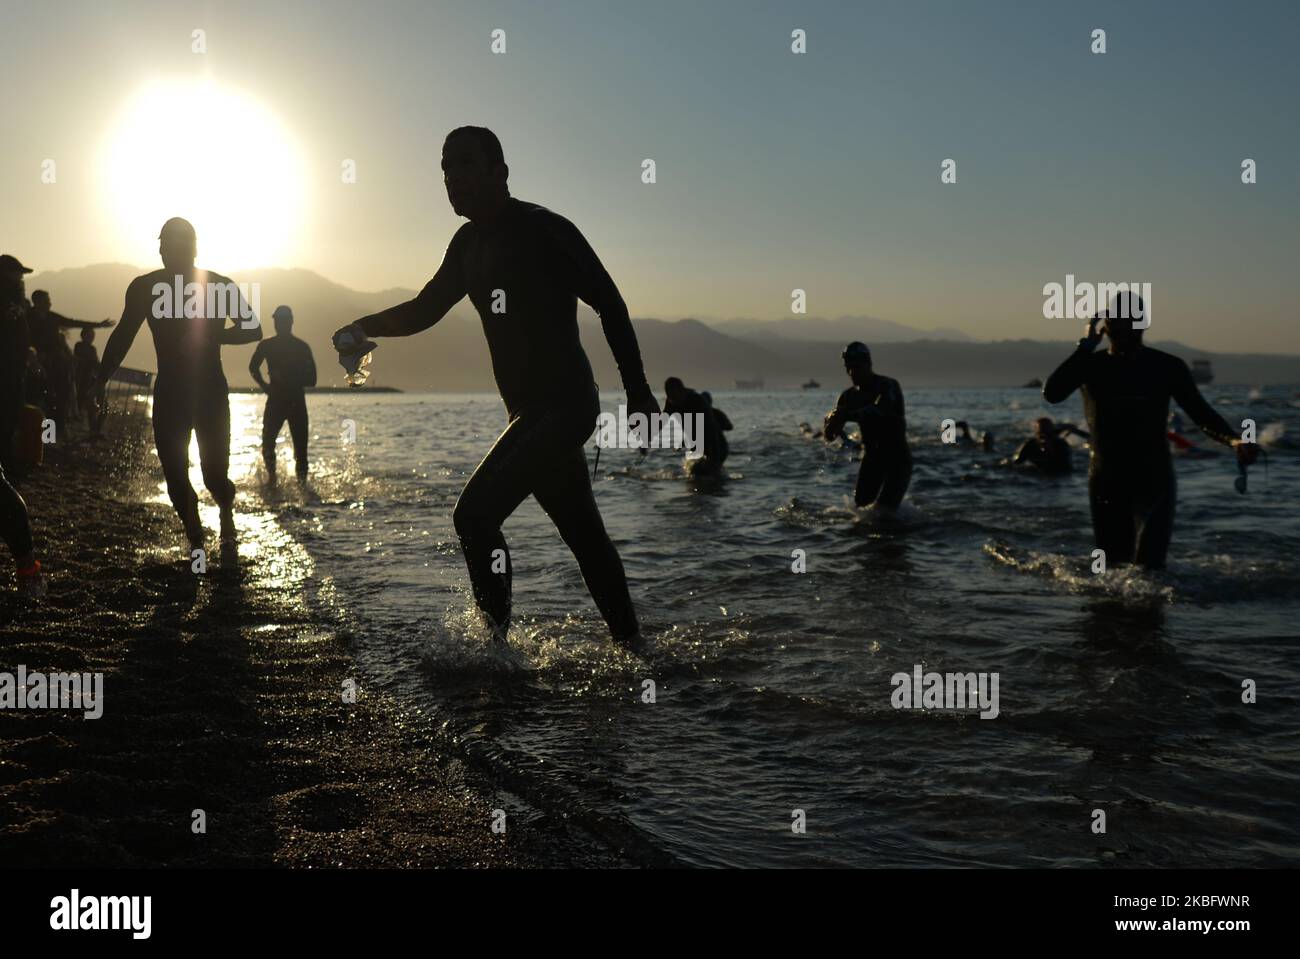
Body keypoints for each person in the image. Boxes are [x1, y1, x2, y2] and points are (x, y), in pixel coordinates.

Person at [332, 126, 658, 646]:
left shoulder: (544, 229)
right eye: (445, 168)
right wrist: (363, 327)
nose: (452, 178)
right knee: (585, 537)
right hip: (527, 415)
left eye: (464, 164)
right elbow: (425, 308)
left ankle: (494, 650)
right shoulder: (466, 246)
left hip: (566, 405)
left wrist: (638, 393)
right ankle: (635, 649)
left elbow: (610, 303)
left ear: (499, 172)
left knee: (474, 516)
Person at [1043, 297, 1259, 568]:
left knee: (1151, 569)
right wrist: (1083, 348)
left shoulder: (1167, 367)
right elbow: (1052, 394)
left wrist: (1234, 440)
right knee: (1112, 568)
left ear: (1142, 325)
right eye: (1112, 323)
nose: (1118, 331)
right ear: (1103, 327)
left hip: (1154, 476)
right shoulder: (1090, 365)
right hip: (1106, 476)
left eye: (1126, 324)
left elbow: (1200, 412)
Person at [98, 218, 262, 547]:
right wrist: (98, 379)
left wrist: (212, 335)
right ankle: (197, 541)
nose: (164, 251)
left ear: (192, 248)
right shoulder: (145, 287)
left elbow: (253, 329)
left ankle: (225, 510)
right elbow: (123, 334)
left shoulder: (219, 286)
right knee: (175, 478)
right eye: (162, 246)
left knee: (214, 478)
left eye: (172, 245)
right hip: (170, 392)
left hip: (210, 393)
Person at [0, 254, 46, 597]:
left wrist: (28, 354)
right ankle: (28, 573)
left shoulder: (18, 307)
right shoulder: (10, 304)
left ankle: (28, 571)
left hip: (10, 392)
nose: (20, 279)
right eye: (15, 273)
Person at [822, 341, 912, 510]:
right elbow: (830, 436)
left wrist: (847, 415)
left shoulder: (888, 386)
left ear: (868, 364)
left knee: (885, 512)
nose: (852, 372)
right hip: (871, 458)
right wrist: (831, 421)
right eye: (848, 368)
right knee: (861, 510)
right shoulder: (848, 397)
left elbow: (880, 410)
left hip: (897, 458)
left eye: (856, 367)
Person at [27, 290, 111, 437]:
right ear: (38, 301)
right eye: (47, 300)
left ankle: (49, 437)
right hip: (35, 364)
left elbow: (73, 322)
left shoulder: (52, 317)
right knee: (37, 399)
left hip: (54, 366)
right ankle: (31, 435)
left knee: (55, 400)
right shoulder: (28, 317)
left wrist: (99, 325)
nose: (50, 303)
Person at [249, 305, 316, 483]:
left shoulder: (301, 347)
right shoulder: (268, 345)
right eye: (278, 321)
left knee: (300, 451)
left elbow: (312, 379)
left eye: (283, 321)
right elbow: (253, 367)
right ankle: (273, 481)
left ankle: (301, 486)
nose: (280, 324)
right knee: (268, 446)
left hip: (293, 402)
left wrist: (285, 378)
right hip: (278, 400)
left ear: (290, 322)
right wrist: (265, 386)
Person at [663, 378, 732, 475]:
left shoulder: (698, 402)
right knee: (695, 473)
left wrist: (714, 460)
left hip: (717, 445)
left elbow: (711, 431)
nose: (673, 400)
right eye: (669, 396)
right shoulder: (671, 401)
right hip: (699, 446)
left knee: (705, 475)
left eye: (675, 396)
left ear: (682, 391)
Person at [1012, 417, 1088, 475]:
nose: (1044, 439)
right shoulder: (1030, 444)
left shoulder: (1061, 445)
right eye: (1041, 435)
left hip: (1059, 433)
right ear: (1037, 433)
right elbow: (1016, 462)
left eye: (1046, 435)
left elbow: (1066, 468)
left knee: (1069, 428)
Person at [73, 328, 105, 433]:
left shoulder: (91, 349)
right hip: (80, 379)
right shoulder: (79, 346)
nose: (92, 338)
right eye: (89, 335)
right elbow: (84, 360)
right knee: (79, 402)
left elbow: (95, 362)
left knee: (90, 404)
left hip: (87, 379)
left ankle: (94, 430)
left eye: (92, 336)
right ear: (84, 335)